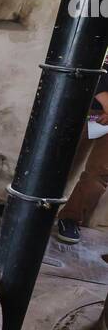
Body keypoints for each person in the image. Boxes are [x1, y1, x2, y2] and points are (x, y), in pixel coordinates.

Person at [57, 88, 108, 242]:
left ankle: (71, 219)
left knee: (99, 174)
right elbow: (96, 70)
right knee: (57, 162)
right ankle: (30, 208)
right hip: (86, 108)